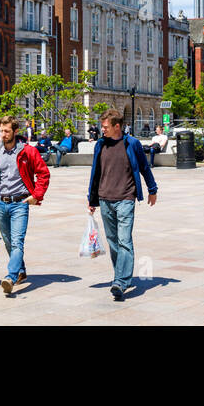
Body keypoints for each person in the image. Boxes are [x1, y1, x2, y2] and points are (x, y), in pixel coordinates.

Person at [88, 108, 159, 301]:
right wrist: (91, 199)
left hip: (126, 198)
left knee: (124, 240)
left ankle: (120, 281)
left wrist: (152, 190)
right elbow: (95, 172)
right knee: (113, 242)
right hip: (104, 199)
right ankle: (120, 277)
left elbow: (144, 168)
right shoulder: (100, 145)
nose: (102, 130)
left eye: (105, 127)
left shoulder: (132, 143)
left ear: (117, 126)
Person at [0, 115, 50, 297]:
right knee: (9, 242)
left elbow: (43, 173)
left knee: (17, 242)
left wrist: (36, 195)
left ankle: (10, 277)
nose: (3, 135)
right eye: (1, 131)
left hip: (20, 203)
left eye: (7, 131)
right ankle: (20, 271)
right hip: (1, 204)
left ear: (15, 132)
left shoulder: (27, 152)